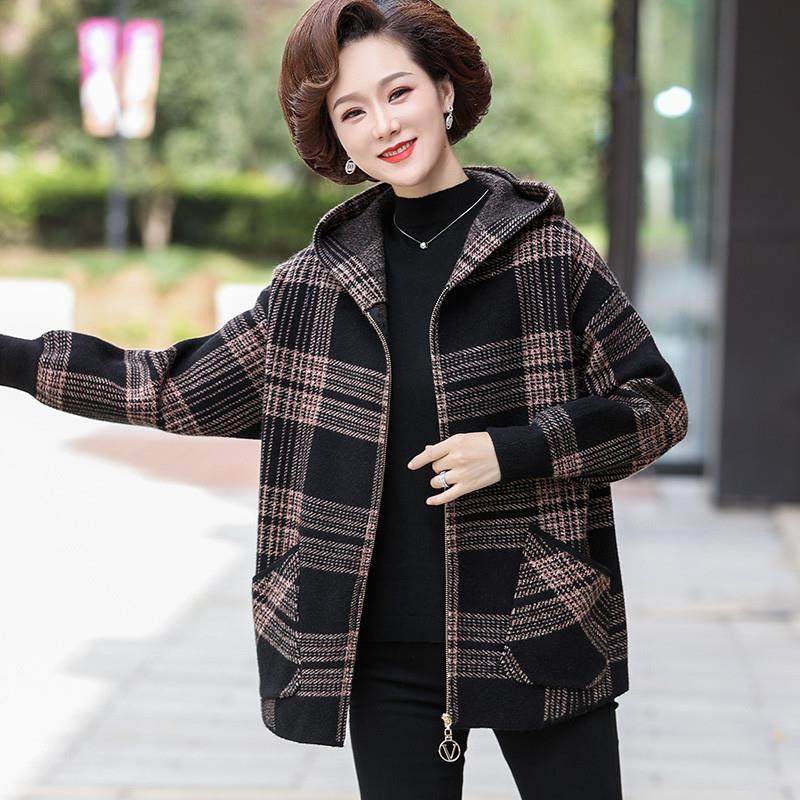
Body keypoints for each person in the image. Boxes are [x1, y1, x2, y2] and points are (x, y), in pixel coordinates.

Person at [1, 1, 689, 798]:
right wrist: (9, 358)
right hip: (381, 653)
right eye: (352, 111)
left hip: (538, 622)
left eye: (399, 92)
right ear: (335, 135)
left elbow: (656, 406)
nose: (384, 125)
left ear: (444, 91)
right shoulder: (315, 284)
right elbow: (172, 387)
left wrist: (517, 449)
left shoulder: (547, 253)